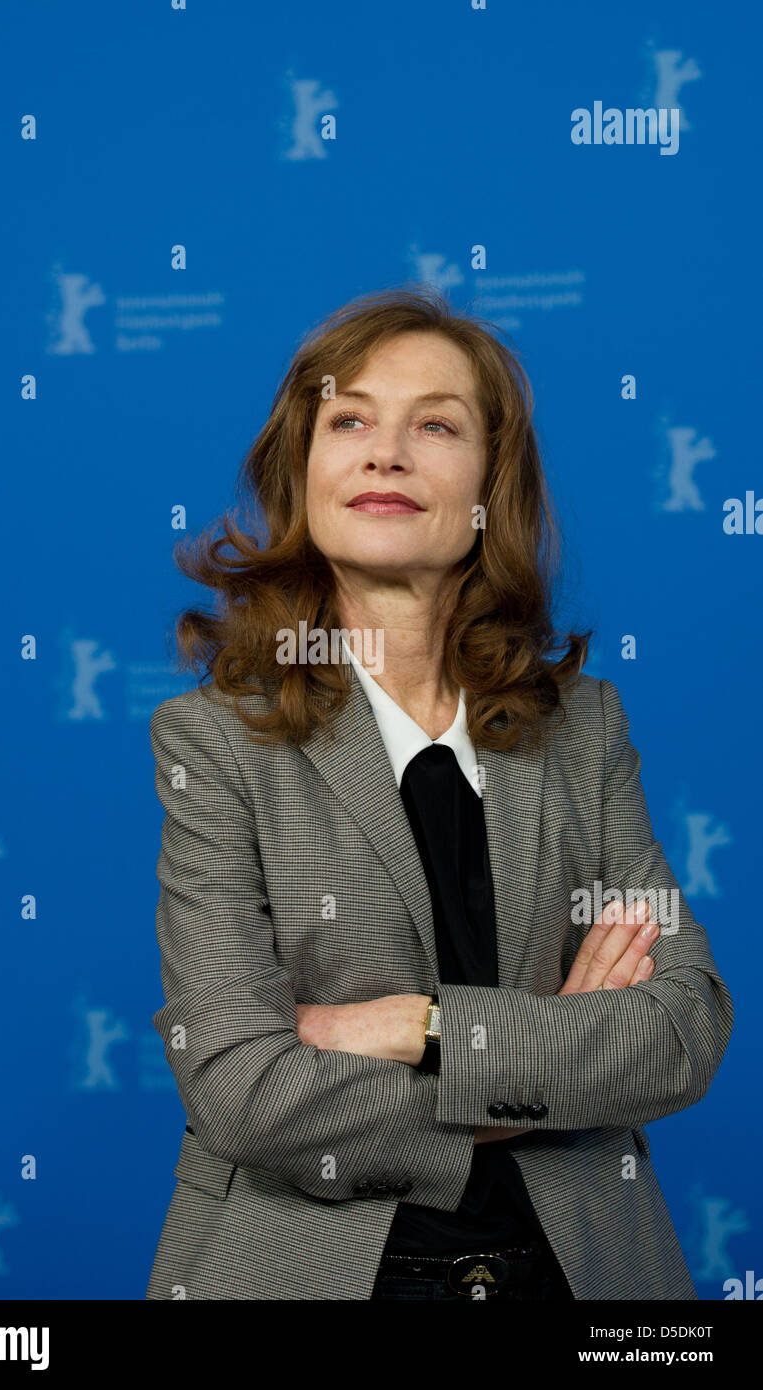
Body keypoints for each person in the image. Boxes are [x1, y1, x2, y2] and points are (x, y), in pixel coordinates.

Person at [144, 286, 733, 1301]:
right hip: (303, 1271)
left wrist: (412, 1026)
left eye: (435, 425)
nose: (385, 453)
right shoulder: (211, 744)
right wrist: (543, 1068)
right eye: (349, 420)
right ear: (306, 471)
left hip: (581, 1270)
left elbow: (677, 1032)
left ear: (488, 485)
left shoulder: (584, 727)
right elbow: (244, 1090)